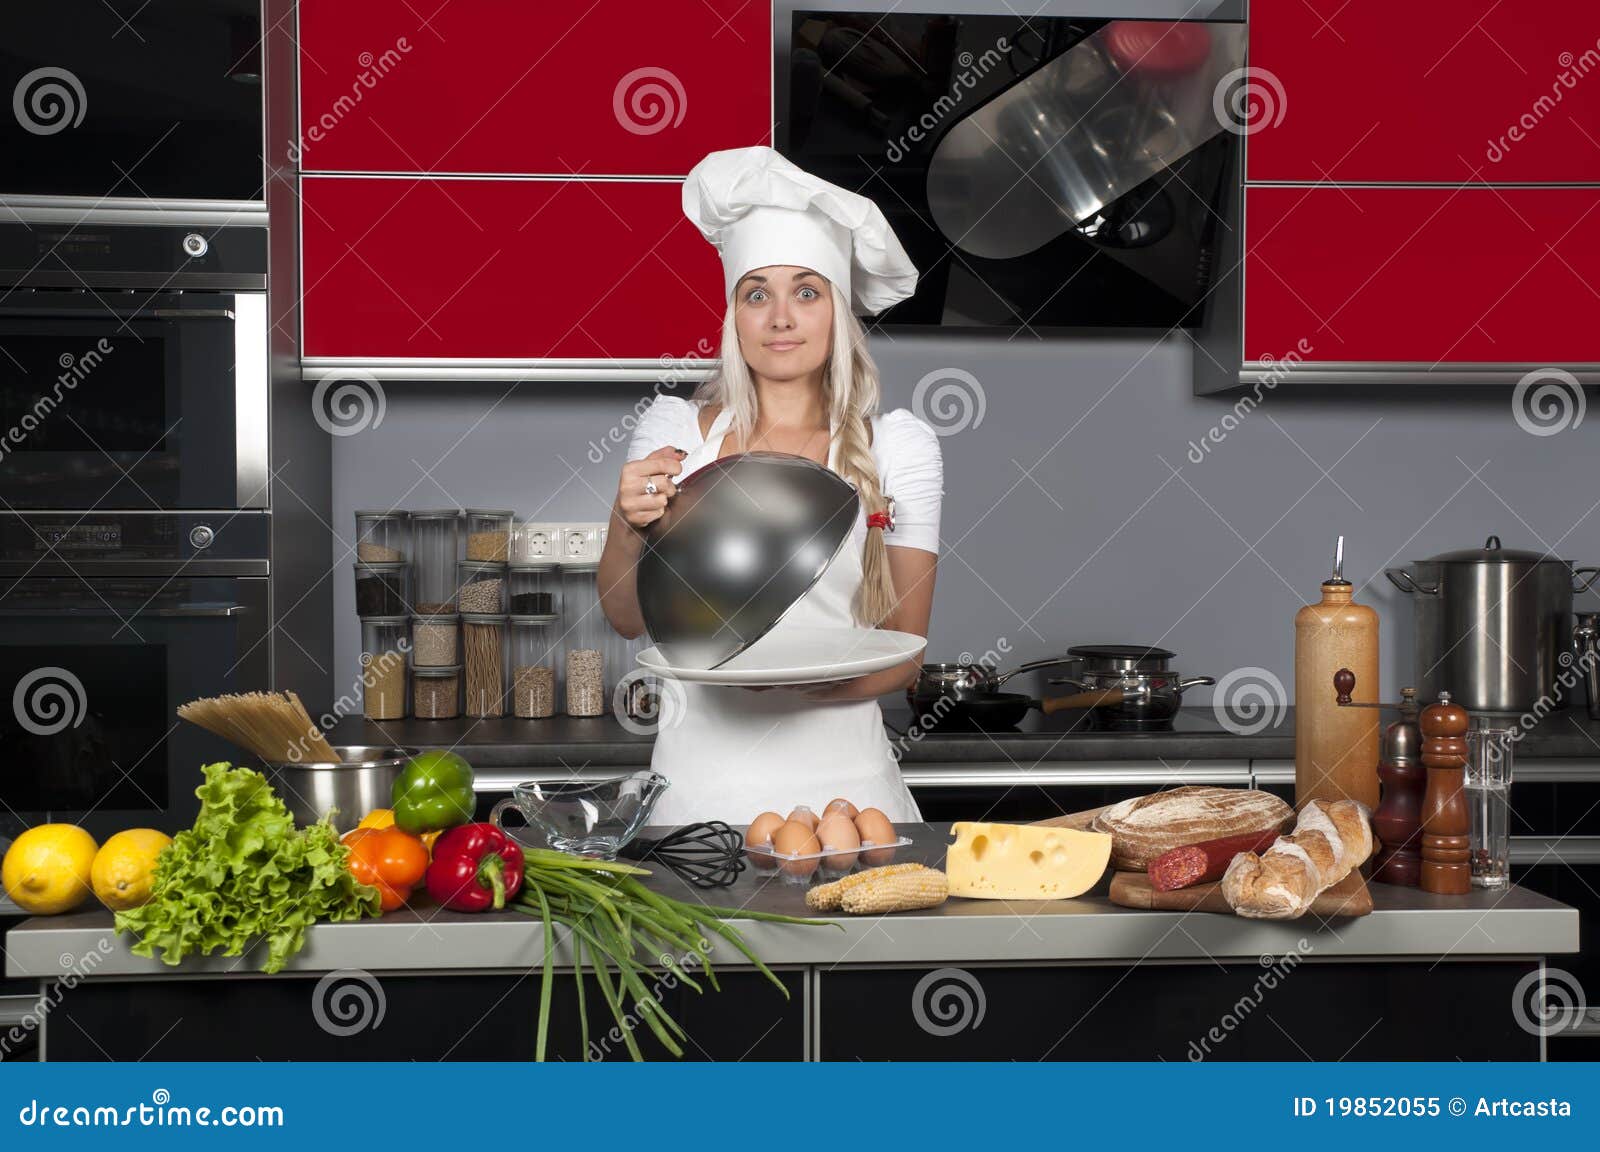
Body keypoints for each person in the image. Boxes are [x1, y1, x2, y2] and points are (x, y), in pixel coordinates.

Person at [598, 146, 943, 826]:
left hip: (847, 792)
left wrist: (786, 689)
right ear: (735, 316)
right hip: (696, 792)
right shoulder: (676, 433)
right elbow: (627, 618)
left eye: (806, 292)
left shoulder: (897, 447)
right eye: (757, 293)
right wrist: (623, 522)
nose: (781, 317)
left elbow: (905, 653)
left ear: (837, 313)